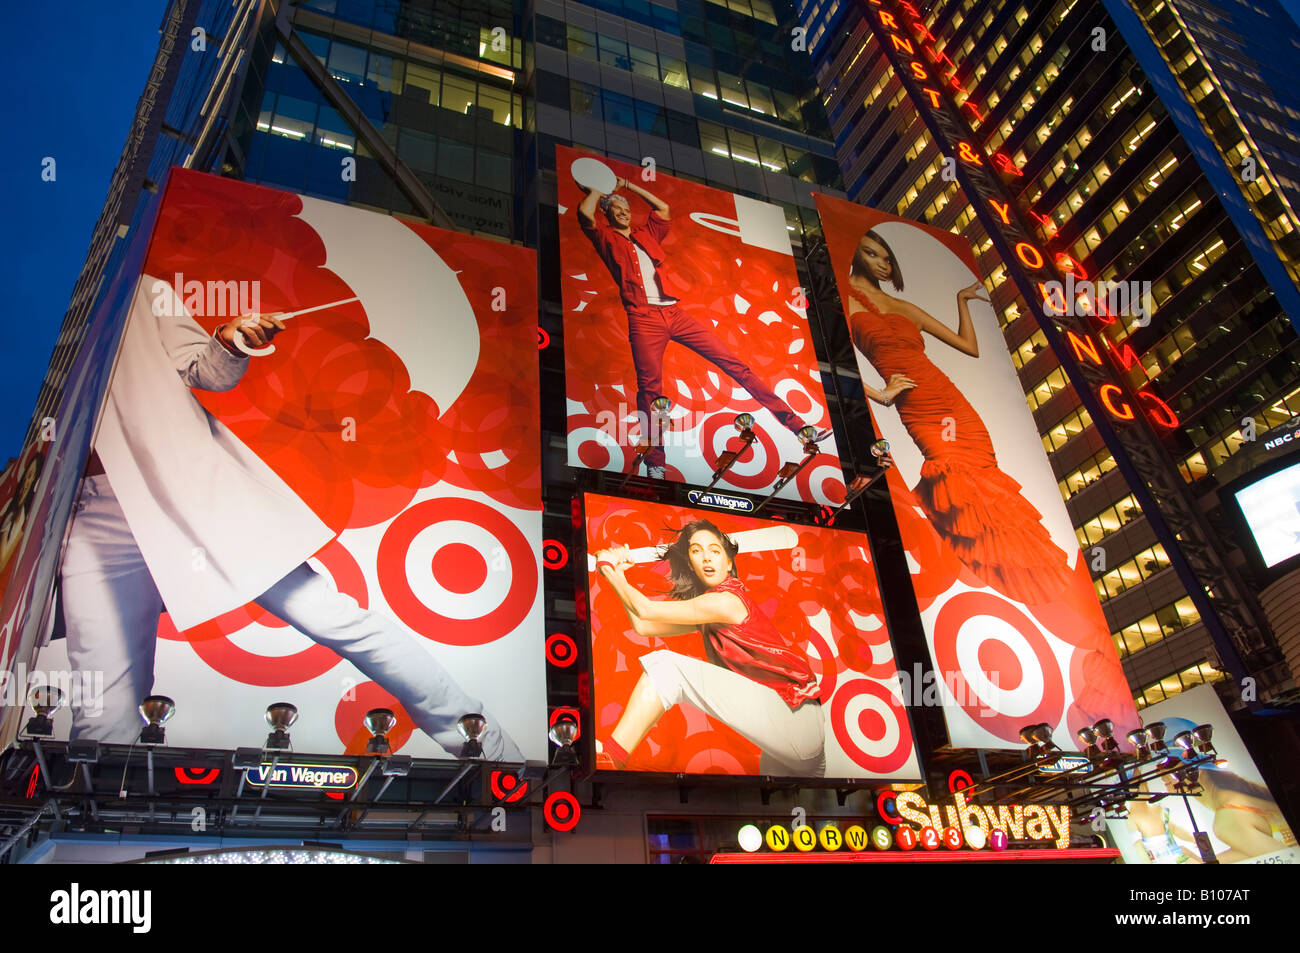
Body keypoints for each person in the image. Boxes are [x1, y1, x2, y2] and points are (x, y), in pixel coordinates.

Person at [60, 275, 522, 760]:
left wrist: (229, 341)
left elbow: (205, 370)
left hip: (186, 487)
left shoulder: (135, 287)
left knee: (333, 619)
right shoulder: (36, 304)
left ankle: (490, 751)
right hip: (88, 514)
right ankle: (97, 801)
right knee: (103, 701)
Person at [845, 229, 1073, 605]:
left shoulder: (903, 306)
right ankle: (971, 570)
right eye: (871, 254)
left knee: (983, 480)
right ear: (855, 254)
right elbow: (833, 365)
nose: (882, 265)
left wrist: (961, 301)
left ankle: (1018, 574)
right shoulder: (844, 300)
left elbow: (968, 345)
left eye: (887, 259)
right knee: (950, 475)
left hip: (951, 401)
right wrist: (881, 394)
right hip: (918, 406)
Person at [576, 174, 829, 477]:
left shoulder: (646, 234)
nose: (623, 213)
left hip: (673, 313)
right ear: (607, 212)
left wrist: (628, 186)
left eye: (626, 209)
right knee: (649, 389)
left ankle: (799, 427)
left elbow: (663, 208)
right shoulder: (605, 238)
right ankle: (656, 462)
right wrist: (597, 190)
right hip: (643, 318)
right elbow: (585, 214)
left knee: (736, 365)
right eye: (617, 209)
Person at [592, 519, 824, 776]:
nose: (706, 558)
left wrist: (608, 568)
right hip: (793, 732)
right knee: (780, 798)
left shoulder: (725, 602)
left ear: (729, 563)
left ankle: (612, 756)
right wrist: (619, 574)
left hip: (794, 718)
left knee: (665, 666)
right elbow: (644, 626)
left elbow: (646, 610)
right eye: (696, 551)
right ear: (691, 563)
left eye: (715, 551)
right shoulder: (709, 612)